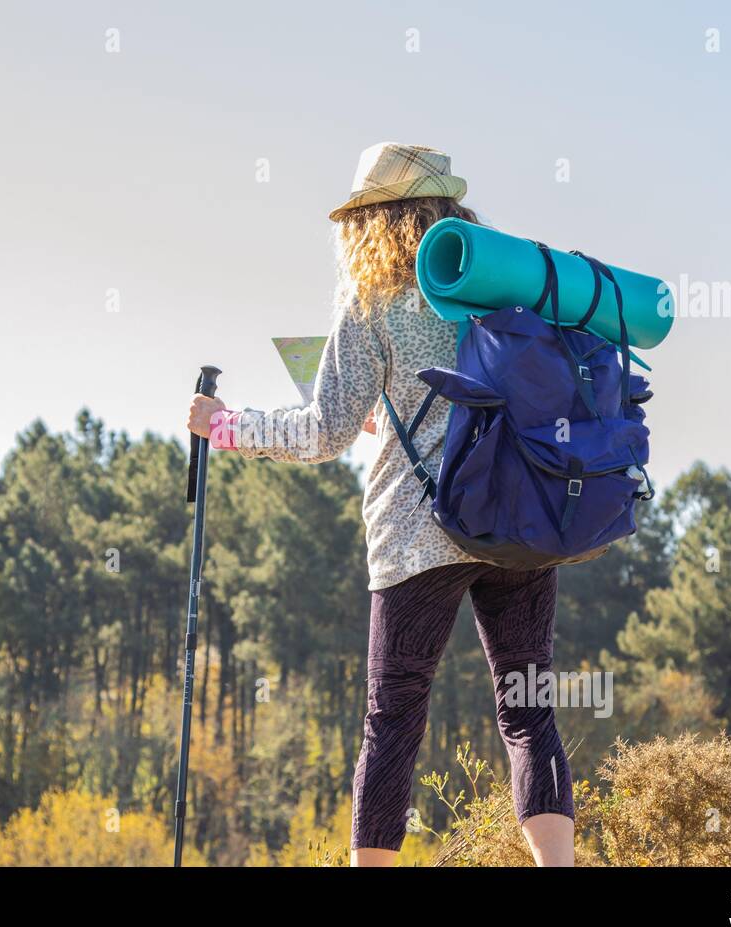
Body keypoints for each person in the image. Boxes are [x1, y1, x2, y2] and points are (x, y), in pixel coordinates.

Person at [187, 142, 574, 867]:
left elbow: (323, 431)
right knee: (528, 714)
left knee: (391, 720)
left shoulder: (372, 300)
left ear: (373, 221)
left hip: (417, 534)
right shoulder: (503, 286)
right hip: (518, 523)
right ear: (450, 209)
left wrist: (227, 426)